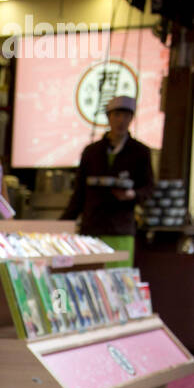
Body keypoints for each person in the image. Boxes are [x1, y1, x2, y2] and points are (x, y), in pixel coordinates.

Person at [61, 94, 154, 267]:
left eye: (126, 116)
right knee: (87, 280)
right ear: (108, 117)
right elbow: (79, 193)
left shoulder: (140, 152)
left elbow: (149, 187)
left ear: (132, 119)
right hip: (91, 228)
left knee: (119, 283)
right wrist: (64, 224)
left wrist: (132, 194)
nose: (121, 121)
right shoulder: (91, 151)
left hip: (121, 230)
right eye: (117, 115)